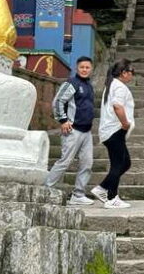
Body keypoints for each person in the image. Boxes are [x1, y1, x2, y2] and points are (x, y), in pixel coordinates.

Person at [44, 56, 96, 206]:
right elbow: (58, 101)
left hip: (86, 132)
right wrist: (63, 120)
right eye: (82, 67)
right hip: (73, 130)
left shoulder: (89, 86)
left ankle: (78, 194)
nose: (85, 70)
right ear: (76, 68)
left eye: (87, 67)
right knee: (64, 161)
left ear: (91, 69)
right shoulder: (71, 83)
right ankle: (46, 189)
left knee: (87, 163)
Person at [91, 59, 136, 209]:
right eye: (131, 72)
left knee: (125, 163)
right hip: (115, 130)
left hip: (110, 131)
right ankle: (111, 197)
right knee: (118, 164)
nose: (132, 75)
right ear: (124, 73)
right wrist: (125, 123)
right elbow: (117, 106)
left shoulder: (112, 85)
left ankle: (104, 189)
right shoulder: (120, 87)